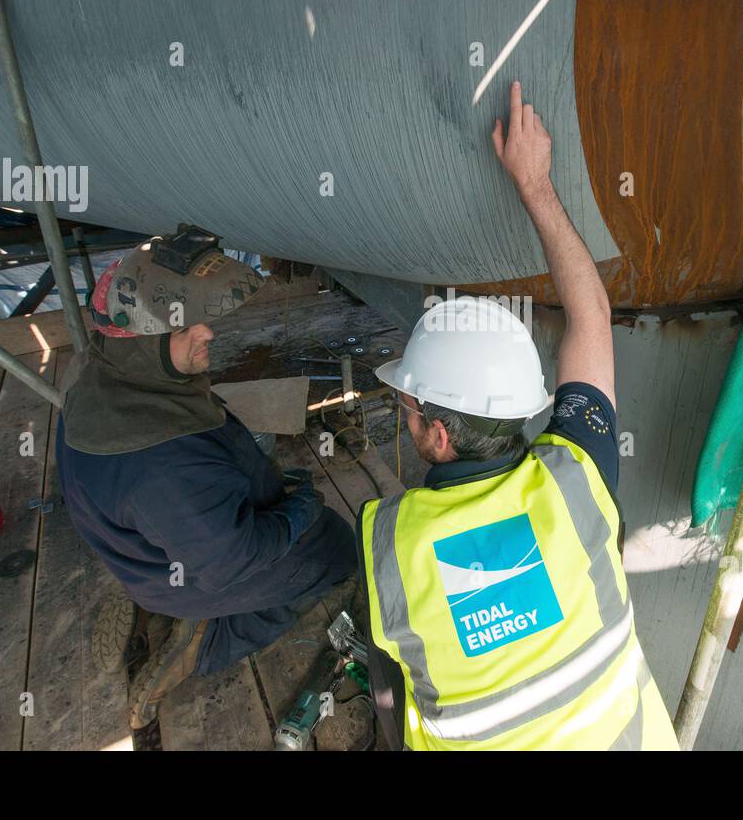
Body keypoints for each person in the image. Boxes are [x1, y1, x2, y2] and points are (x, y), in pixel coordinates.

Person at [358, 82, 678, 750]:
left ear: (439, 434)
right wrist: (535, 186)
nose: (405, 416)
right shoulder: (576, 481)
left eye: (408, 408)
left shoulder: (393, 550)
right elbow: (591, 319)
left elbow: (390, 687)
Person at [54, 225, 356, 729]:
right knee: (337, 549)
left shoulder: (101, 374)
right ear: (146, 342)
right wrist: (299, 510)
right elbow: (234, 559)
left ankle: (158, 604)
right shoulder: (164, 465)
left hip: (148, 555)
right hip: (198, 570)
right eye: (184, 329)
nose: (207, 333)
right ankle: (206, 642)